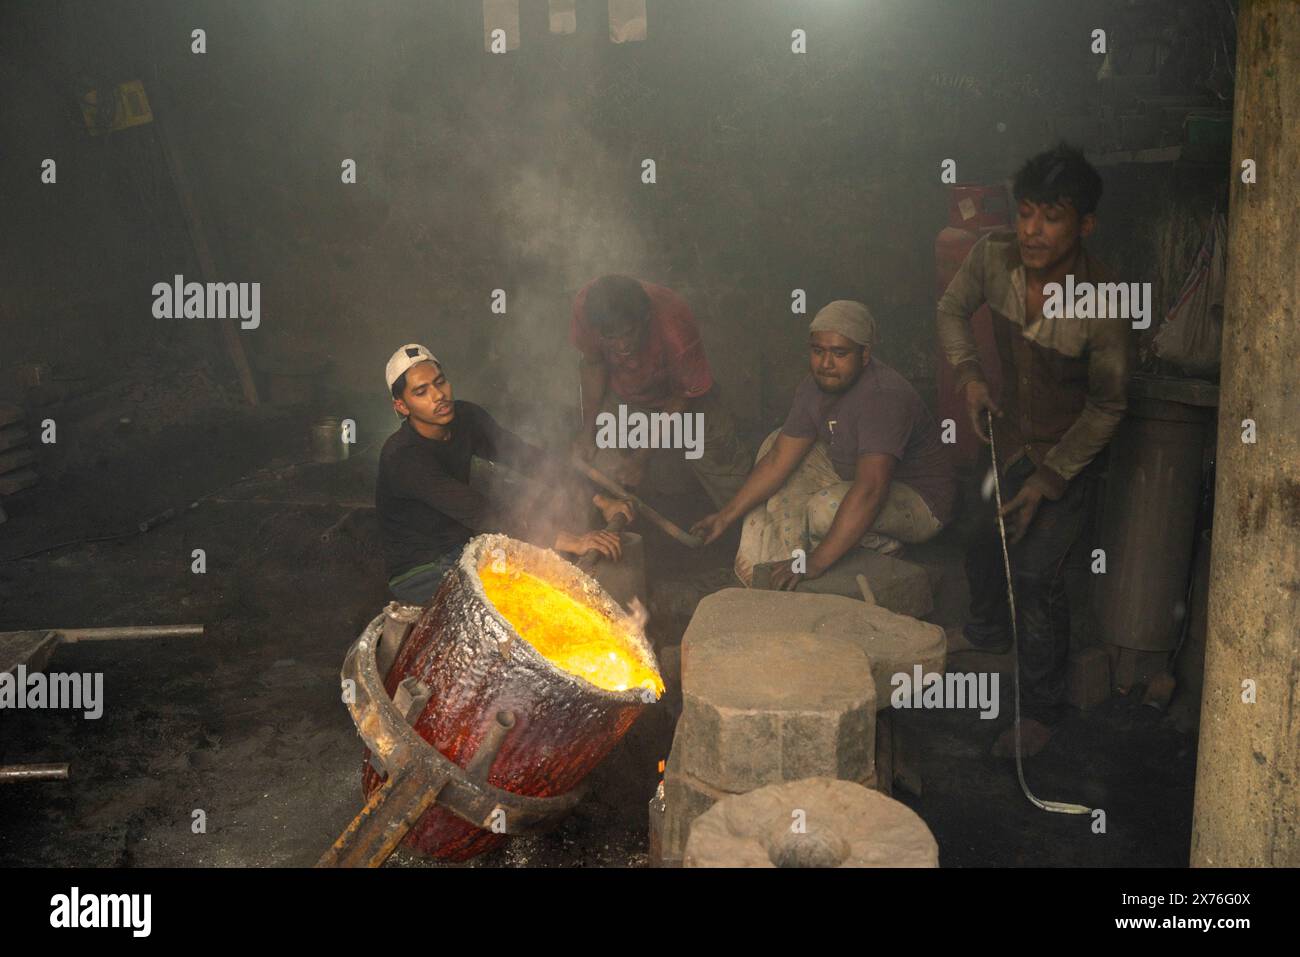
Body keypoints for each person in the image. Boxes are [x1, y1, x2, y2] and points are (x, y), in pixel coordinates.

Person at [937, 143, 1130, 758]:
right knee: (976, 530)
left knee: (1037, 572)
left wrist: (1049, 479)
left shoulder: (1105, 300)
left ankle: (1042, 711)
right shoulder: (992, 256)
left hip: (1069, 453)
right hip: (1008, 434)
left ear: (1085, 225)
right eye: (1025, 213)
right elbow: (951, 308)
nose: (1032, 230)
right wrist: (969, 374)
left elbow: (1108, 407)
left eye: (1051, 216)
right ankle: (989, 634)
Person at [692, 301, 955, 589]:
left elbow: (870, 490)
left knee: (822, 510)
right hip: (854, 474)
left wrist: (815, 562)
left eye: (840, 353)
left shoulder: (883, 397)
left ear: (865, 354)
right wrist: (724, 516)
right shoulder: (813, 386)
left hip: (918, 500)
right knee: (774, 445)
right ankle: (763, 577)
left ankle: (882, 549)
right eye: (818, 352)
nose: (826, 364)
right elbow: (779, 458)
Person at [376, 344, 631, 604]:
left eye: (439, 383)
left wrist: (598, 498)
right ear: (402, 406)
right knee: (524, 598)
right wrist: (572, 541)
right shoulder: (403, 457)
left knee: (550, 580)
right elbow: (481, 512)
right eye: (421, 392)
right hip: (421, 570)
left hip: (466, 546)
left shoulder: (465, 418)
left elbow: (527, 458)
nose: (437, 395)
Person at [571, 274, 751, 508]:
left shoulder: (674, 322)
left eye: (628, 334)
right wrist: (587, 433)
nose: (622, 346)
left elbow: (685, 393)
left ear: (645, 319)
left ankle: (741, 529)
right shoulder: (586, 310)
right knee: (605, 463)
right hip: (626, 392)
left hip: (685, 397)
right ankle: (621, 521)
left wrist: (641, 457)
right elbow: (593, 364)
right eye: (611, 338)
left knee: (729, 477)